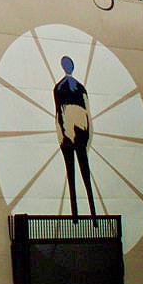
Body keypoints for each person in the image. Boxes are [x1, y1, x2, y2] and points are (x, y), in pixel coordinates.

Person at [53, 55, 97, 220]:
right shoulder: (80, 88)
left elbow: (57, 114)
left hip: (67, 132)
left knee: (72, 173)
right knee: (84, 172)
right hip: (79, 130)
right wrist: (89, 137)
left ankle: (76, 216)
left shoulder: (58, 88)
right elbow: (88, 113)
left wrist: (61, 136)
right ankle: (92, 216)